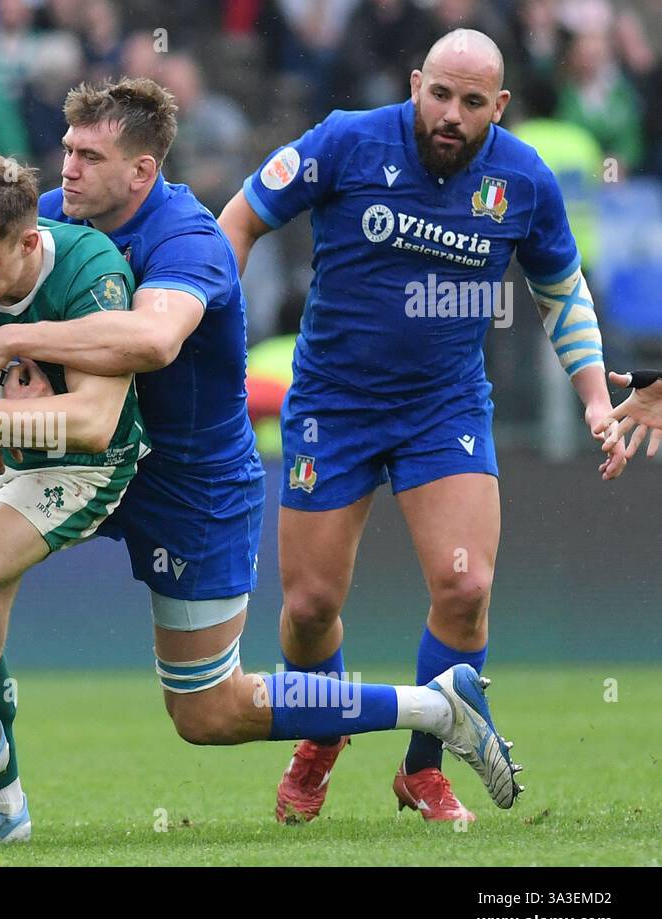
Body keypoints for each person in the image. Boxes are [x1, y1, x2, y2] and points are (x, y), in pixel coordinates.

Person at [0, 159, 523, 846]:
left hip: (117, 466)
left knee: (209, 711)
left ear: (30, 240)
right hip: (10, 451)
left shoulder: (102, 264)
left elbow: (95, 422)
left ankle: (427, 705)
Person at [217, 29, 624, 824]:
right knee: (307, 608)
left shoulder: (522, 178)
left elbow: (561, 291)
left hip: (444, 409)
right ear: (415, 84)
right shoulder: (345, 141)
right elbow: (238, 221)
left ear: (498, 108)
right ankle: (325, 733)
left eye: (472, 102)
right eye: (439, 94)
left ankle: (423, 767)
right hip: (331, 406)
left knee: (466, 587)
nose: (451, 113)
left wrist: (595, 397)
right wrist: (215, 344)